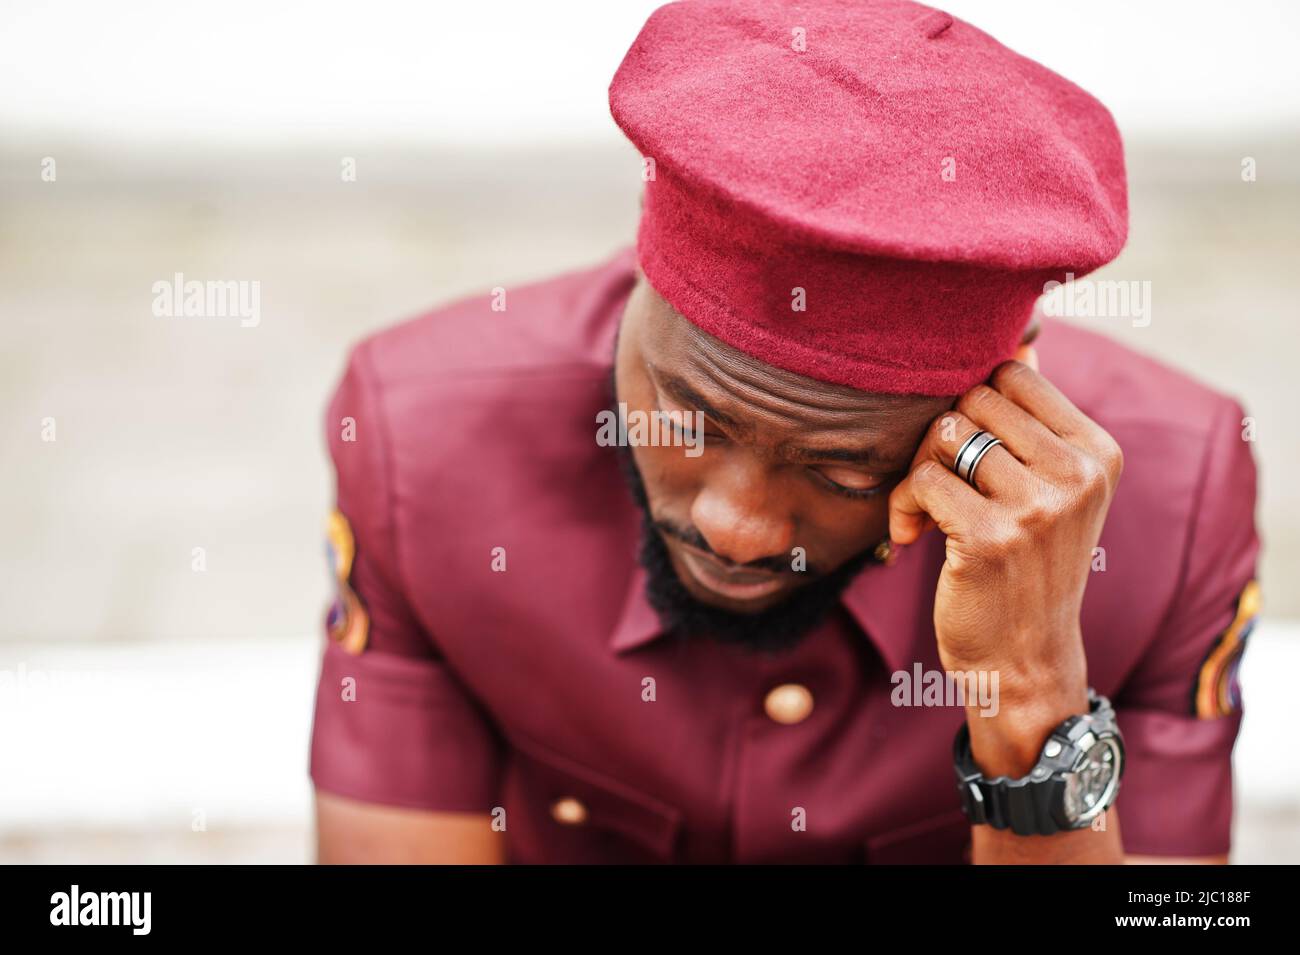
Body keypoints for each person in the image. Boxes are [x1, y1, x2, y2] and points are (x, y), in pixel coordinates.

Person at [309, 0, 1260, 864]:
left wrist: (1032, 702)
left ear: (1002, 382)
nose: (738, 527)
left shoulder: (1175, 502)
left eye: (846, 470)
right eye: (689, 415)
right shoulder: (417, 435)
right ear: (641, 285)